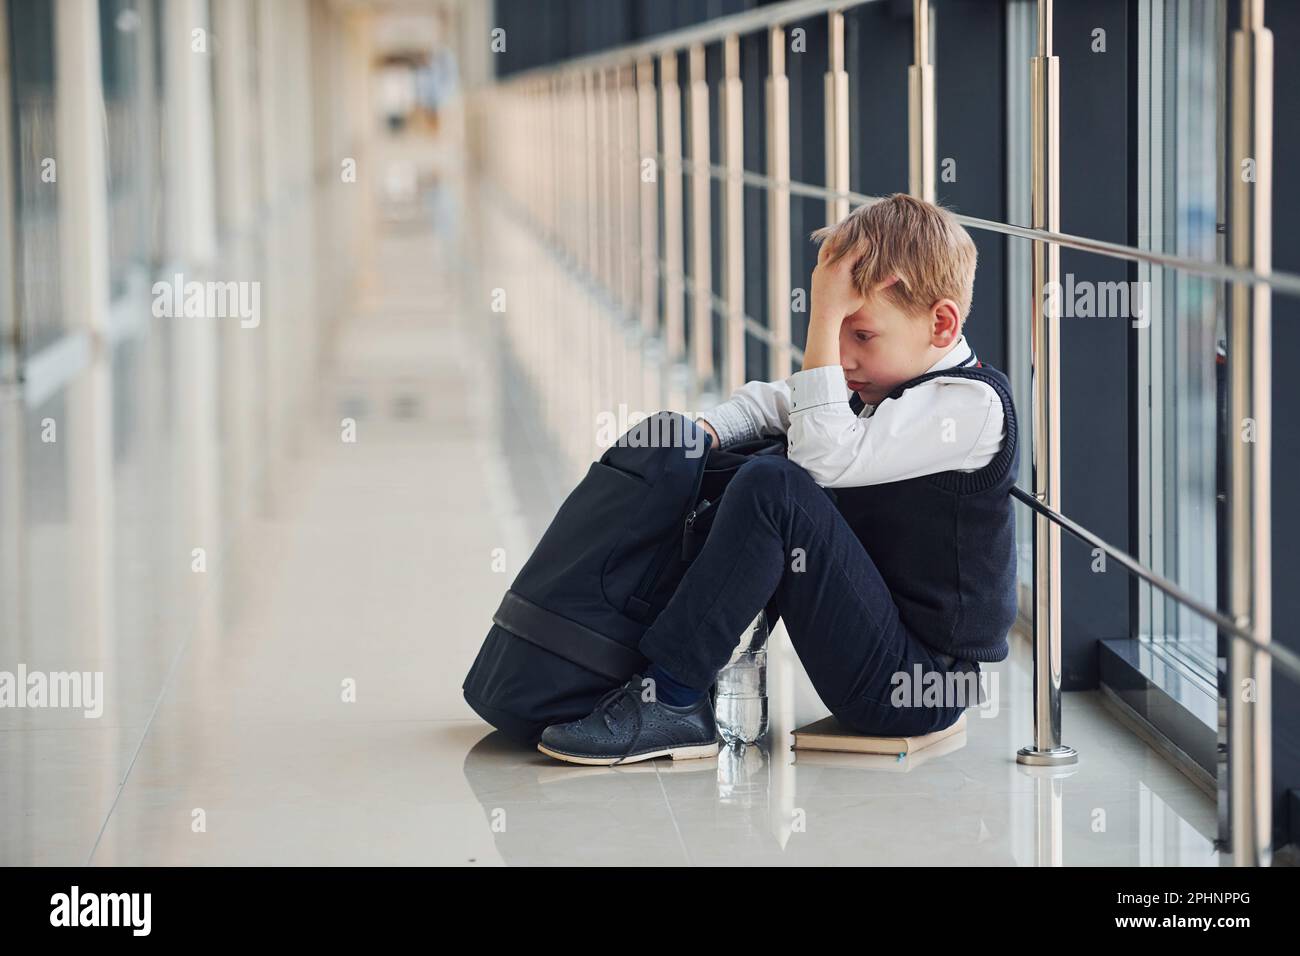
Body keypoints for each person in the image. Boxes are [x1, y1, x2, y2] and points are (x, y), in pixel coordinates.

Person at [536, 194, 1017, 766]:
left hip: (915, 686)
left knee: (775, 486)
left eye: (861, 335)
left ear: (941, 324)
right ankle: (638, 666)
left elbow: (820, 457)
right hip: (882, 644)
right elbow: (779, 402)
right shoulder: (889, 378)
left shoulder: (970, 406)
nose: (843, 358)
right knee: (756, 457)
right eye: (837, 335)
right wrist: (703, 434)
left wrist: (823, 315)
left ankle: (671, 695)